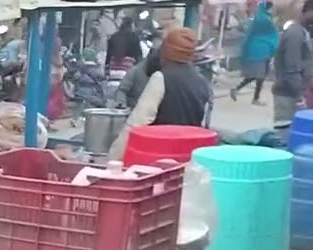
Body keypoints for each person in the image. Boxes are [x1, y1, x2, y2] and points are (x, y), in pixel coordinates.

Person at [110, 28, 212, 158]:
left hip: (160, 155)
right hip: (187, 156)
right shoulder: (202, 82)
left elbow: (137, 123)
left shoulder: (161, 78)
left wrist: (114, 157)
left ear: (165, 52)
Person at [274, 1, 313, 129]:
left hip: (293, 92)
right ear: (305, 12)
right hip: (288, 94)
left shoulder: (301, 31)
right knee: (286, 133)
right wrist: (299, 94)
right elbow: (292, 67)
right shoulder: (294, 34)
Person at [233, 2, 280, 105]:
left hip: (258, 50)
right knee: (260, 75)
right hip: (262, 50)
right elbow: (273, 33)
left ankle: (237, 90)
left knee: (257, 75)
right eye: (271, 8)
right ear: (268, 8)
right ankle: (255, 98)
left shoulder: (259, 17)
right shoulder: (265, 19)